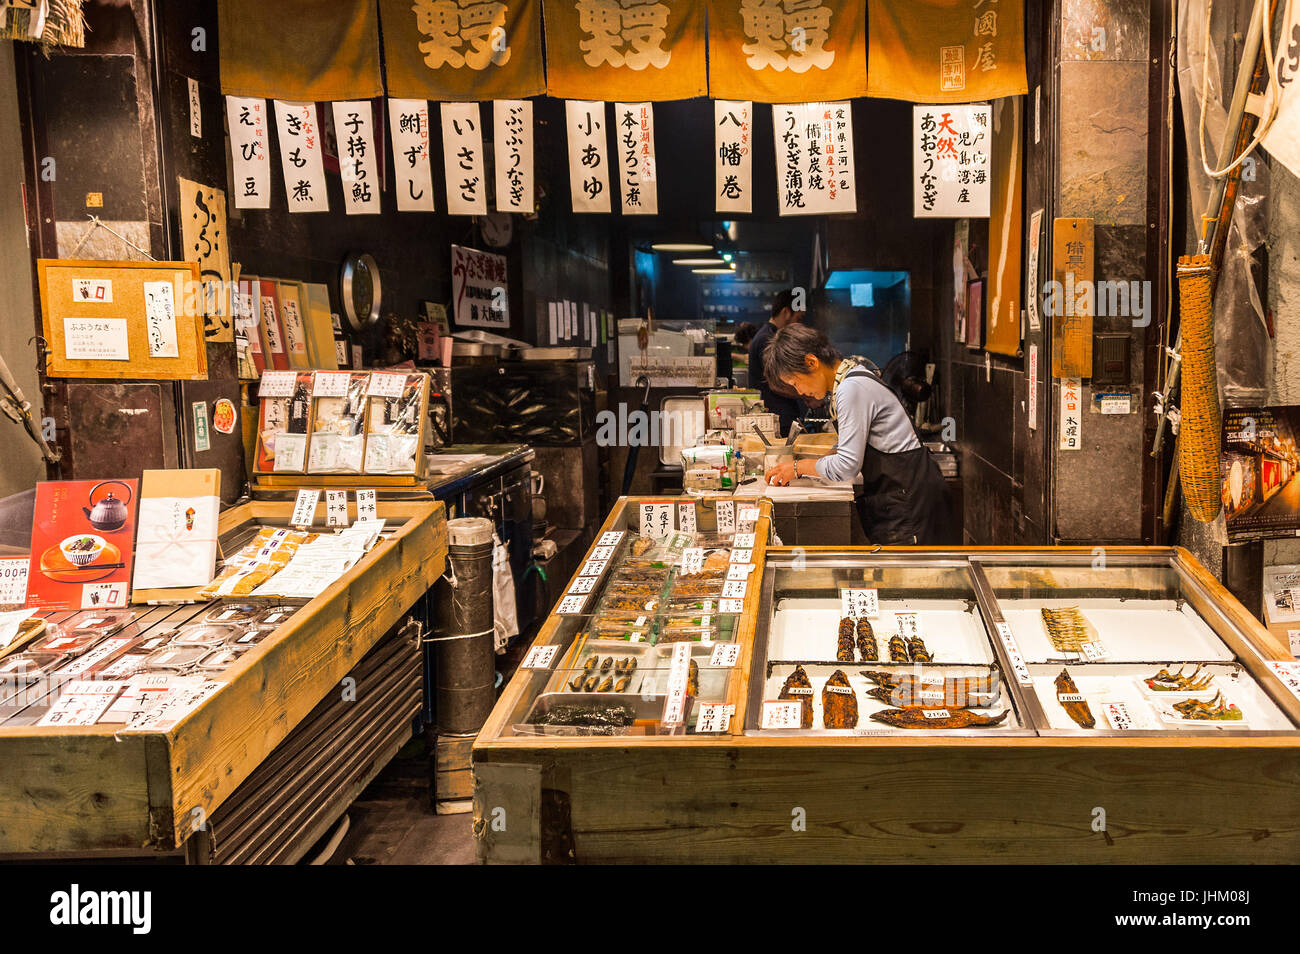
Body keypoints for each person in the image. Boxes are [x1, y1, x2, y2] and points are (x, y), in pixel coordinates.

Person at [762, 323, 955, 545]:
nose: (800, 392)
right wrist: (822, 460)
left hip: (911, 504)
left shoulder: (850, 388)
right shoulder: (852, 375)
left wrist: (797, 468)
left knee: (918, 578)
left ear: (811, 362)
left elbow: (846, 466)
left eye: (796, 383)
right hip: (904, 495)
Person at [748, 290, 804, 435]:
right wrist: (808, 395)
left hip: (781, 416)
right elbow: (776, 384)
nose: (799, 325)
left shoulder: (771, 335)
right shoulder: (767, 339)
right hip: (777, 419)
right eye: (798, 318)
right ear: (786, 312)